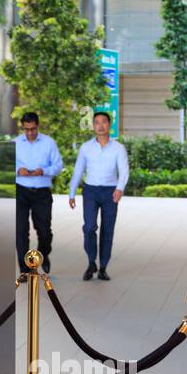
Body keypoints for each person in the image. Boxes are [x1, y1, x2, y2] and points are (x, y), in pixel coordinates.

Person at [68, 112, 129, 280]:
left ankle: (102, 267)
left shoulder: (118, 148)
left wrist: (119, 189)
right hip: (91, 191)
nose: (100, 125)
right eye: (96, 122)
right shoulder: (86, 147)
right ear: (93, 126)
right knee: (89, 227)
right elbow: (78, 170)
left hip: (111, 193)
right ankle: (91, 262)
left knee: (107, 230)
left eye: (103, 122)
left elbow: (124, 171)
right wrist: (72, 193)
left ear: (110, 125)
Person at [14, 112, 63, 274]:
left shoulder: (49, 143)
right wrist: (17, 170)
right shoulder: (15, 143)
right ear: (22, 127)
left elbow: (58, 167)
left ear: (38, 126)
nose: (30, 133)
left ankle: (42, 255)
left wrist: (43, 170)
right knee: (20, 230)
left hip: (42, 192)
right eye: (26, 129)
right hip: (21, 191)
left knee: (44, 231)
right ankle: (25, 268)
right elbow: (5, 164)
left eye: (33, 129)